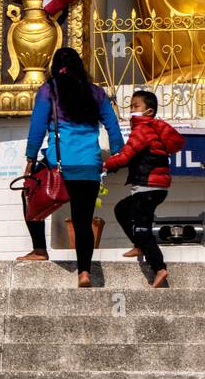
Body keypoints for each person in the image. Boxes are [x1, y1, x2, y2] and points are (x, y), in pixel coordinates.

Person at [19, 47, 125, 288]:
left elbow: (37, 126)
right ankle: (84, 273)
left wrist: (30, 157)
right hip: (89, 165)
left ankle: (39, 249)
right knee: (82, 220)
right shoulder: (96, 93)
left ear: (54, 67)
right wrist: (117, 153)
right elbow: (113, 126)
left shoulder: (49, 90)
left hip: (59, 163)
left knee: (30, 196)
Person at [103, 90, 185, 289]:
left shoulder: (142, 131)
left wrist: (104, 165)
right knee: (122, 209)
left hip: (147, 187)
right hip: (154, 187)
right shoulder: (150, 129)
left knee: (142, 227)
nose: (131, 110)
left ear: (149, 111)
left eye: (136, 106)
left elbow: (125, 156)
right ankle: (139, 245)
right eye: (130, 106)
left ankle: (159, 267)